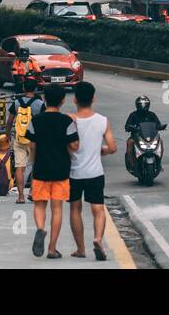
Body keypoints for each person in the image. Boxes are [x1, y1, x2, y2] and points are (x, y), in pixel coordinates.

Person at [26, 84, 80, 259]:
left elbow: (31, 145)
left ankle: (41, 229)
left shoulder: (35, 121)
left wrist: (34, 164)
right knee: (57, 209)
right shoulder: (67, 121)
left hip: (41, 169)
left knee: (39, 204)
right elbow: (74, 145)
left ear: (44, 99)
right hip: (61, 170)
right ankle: (51, 248)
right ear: (63, 100)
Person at [68, 82, 115, 262]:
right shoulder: (102, 121)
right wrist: (101, 149)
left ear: (75, 99)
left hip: (74, 174)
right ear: (93, 98)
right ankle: (98, 238)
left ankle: (80, 249)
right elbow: (112, 147)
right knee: (98, 209)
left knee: (75, 208)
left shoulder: (71, 120)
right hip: (95, 173)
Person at [8, 76, 44, 204]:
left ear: (23, 87)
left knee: (19, 167)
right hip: (34, 139)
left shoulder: (17, 102)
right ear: (35, 88)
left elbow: (10, 120)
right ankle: (32, 192)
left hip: (19, 138)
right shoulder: (40, 104)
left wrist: (7, 134)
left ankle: (21, 196)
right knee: (35, 166)